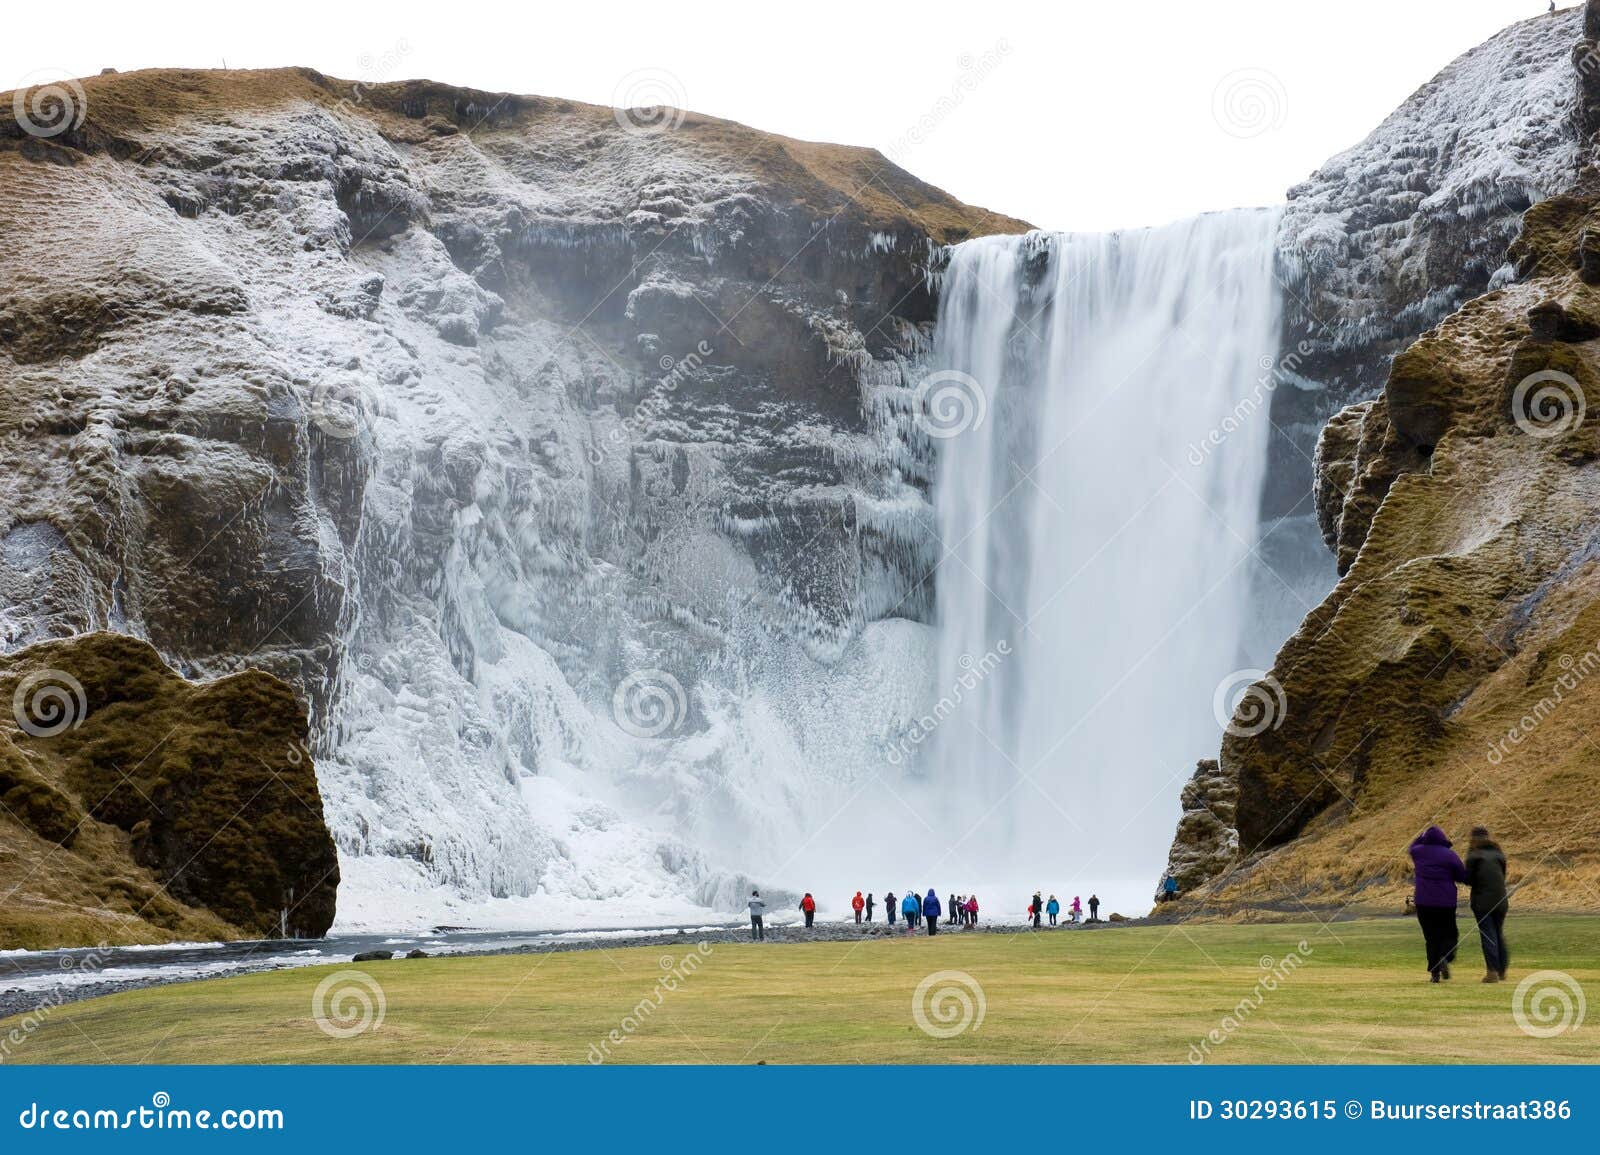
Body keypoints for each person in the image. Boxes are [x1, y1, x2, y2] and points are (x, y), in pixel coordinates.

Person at [1409, 825, 1467, 982]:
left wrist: (1422, 836)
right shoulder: (1449, 855)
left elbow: (1412, 846)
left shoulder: (1418, 852)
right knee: (1450, 934)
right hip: (1445, 902)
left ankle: (1434, 972)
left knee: (1431, 937)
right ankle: (1445, 958)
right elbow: (1462, 875)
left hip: (1423, 902)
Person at [1465, 826, 1510, 982]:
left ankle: (1492, 972)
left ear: (1474, 839)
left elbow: (1469, 879)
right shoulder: (1499, 854)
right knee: (1498, 933)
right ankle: (1502, 970)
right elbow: (1502, 876)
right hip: (1501, 900)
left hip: (1482, 901)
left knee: (1488, 935)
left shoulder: (1473, 855)